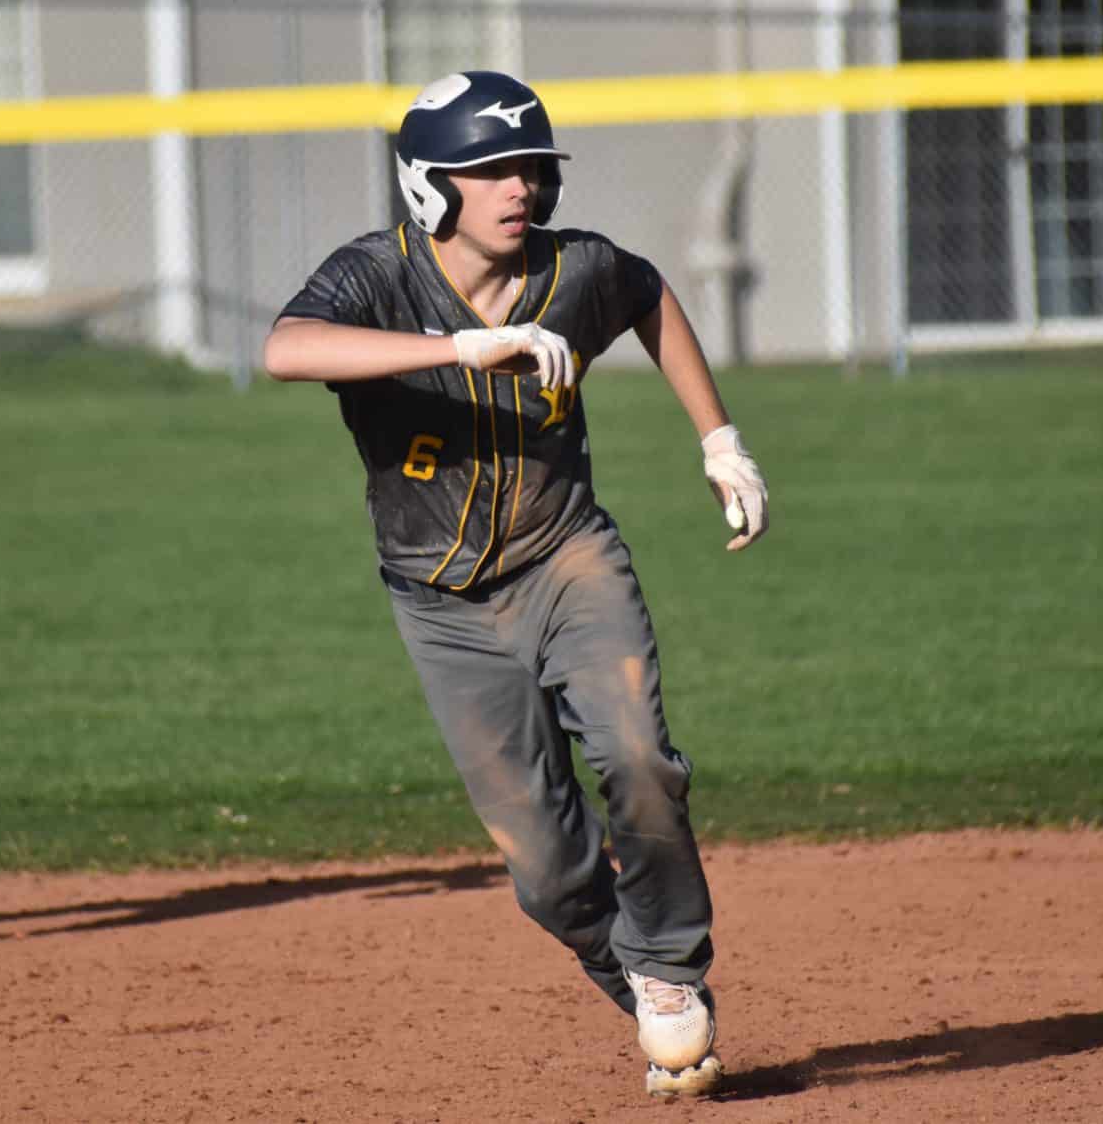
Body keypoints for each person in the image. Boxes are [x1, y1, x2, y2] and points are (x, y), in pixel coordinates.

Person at [262, 70, 769, 1099]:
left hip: (565, 556)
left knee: (639, 760)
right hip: (439, 602)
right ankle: (622, 966)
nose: (519, 188)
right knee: (545, 873)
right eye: (489, 170)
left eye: (531, 168)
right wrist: (459, 347)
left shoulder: (572, 272)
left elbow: (648, 296)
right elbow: (285, 349)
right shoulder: (376, 276)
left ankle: (670, 967)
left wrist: (718, 438)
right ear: (428, 187)